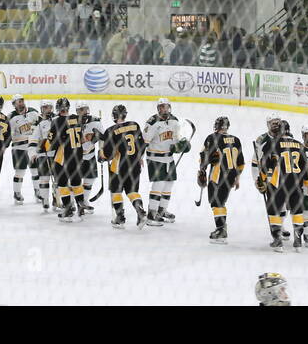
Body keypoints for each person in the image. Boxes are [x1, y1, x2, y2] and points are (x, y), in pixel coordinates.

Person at [257, 120, 308, 252]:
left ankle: (278, 241)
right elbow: (305, 167)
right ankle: (298, 241)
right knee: (297, 210)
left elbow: (264, 164)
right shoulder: (299, 145)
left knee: (273, 209)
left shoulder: (272, 143)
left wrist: (262, 179)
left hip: (278, 183)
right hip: (296, 183)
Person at [197, 116, 245, 244]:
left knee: (215, 202)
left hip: (217, 175)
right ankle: (222, 226)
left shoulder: (212, 138)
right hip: (231, 176)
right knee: (221, 202)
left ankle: (221, 230)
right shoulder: (236, 140)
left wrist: (202, 170)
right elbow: (240, 163)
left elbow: (203, 156)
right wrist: (237, 178)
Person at [143, 97, 190, 225]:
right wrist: (139, 158)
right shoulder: (152, 123)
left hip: (168, 158)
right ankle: (151, 215)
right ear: (158, 109)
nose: (164, 109)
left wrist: (180, 146)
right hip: (155, 158)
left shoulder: (174, 121)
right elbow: (144, 143)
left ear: (169, 107)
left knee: (169, 184)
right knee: (158, 185)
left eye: (166, 107)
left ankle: (161, 211)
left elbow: (175, 139)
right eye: (161, 107)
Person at [101, 103, 148, 229]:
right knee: (132, 191)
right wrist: (139, 158)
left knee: (116, 191)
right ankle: (140, 211)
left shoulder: (111, 131)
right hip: (134, 165)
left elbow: (107, 154)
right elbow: (142, 145)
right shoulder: (134, 125)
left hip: (119, 167)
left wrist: (102, 156)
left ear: (114, 116)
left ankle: (120, 218)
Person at [7, 95, 40, 204]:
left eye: (21, 101)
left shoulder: (33, 112)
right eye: (18, 102)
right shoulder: (11, 117)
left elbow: (41, 126)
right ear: (14, 105)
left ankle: (38, 192)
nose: (20, 103)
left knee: (35, 171)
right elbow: (8, 134)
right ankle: (16, 193)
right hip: (18, 147)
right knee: (20, 172)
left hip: (32, 147)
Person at [30, 100, 58, 212]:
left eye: (49, 107)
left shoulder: (58, 120)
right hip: (42, 154)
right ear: (41, 109)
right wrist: (32, 153)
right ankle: (45, 200)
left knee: (58, 179)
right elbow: (32, 139)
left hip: (57, 154)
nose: (47, 110)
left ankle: (57, 199)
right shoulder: (38, 123)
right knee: (44, 179)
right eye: (45, 107)